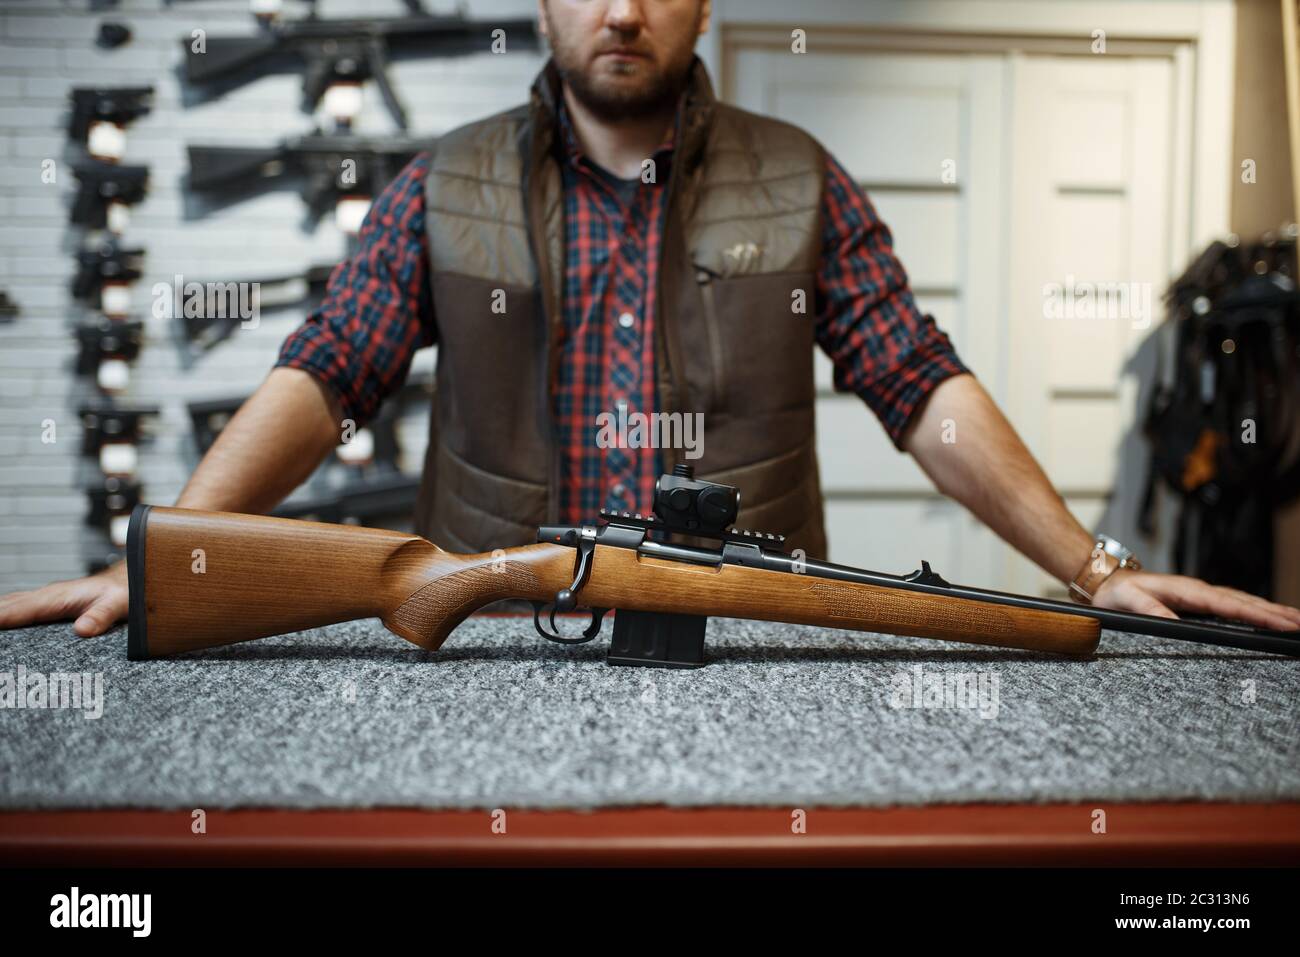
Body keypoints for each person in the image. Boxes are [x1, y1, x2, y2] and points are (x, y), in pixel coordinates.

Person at [3, 0, 1299, 638]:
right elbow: (328, 370)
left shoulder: (800, 178)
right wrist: (183, 557)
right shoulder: (440, 183)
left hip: (754, 650)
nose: (622, 8)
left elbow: (919, 383)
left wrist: (1097, 569)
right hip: (496, 654)